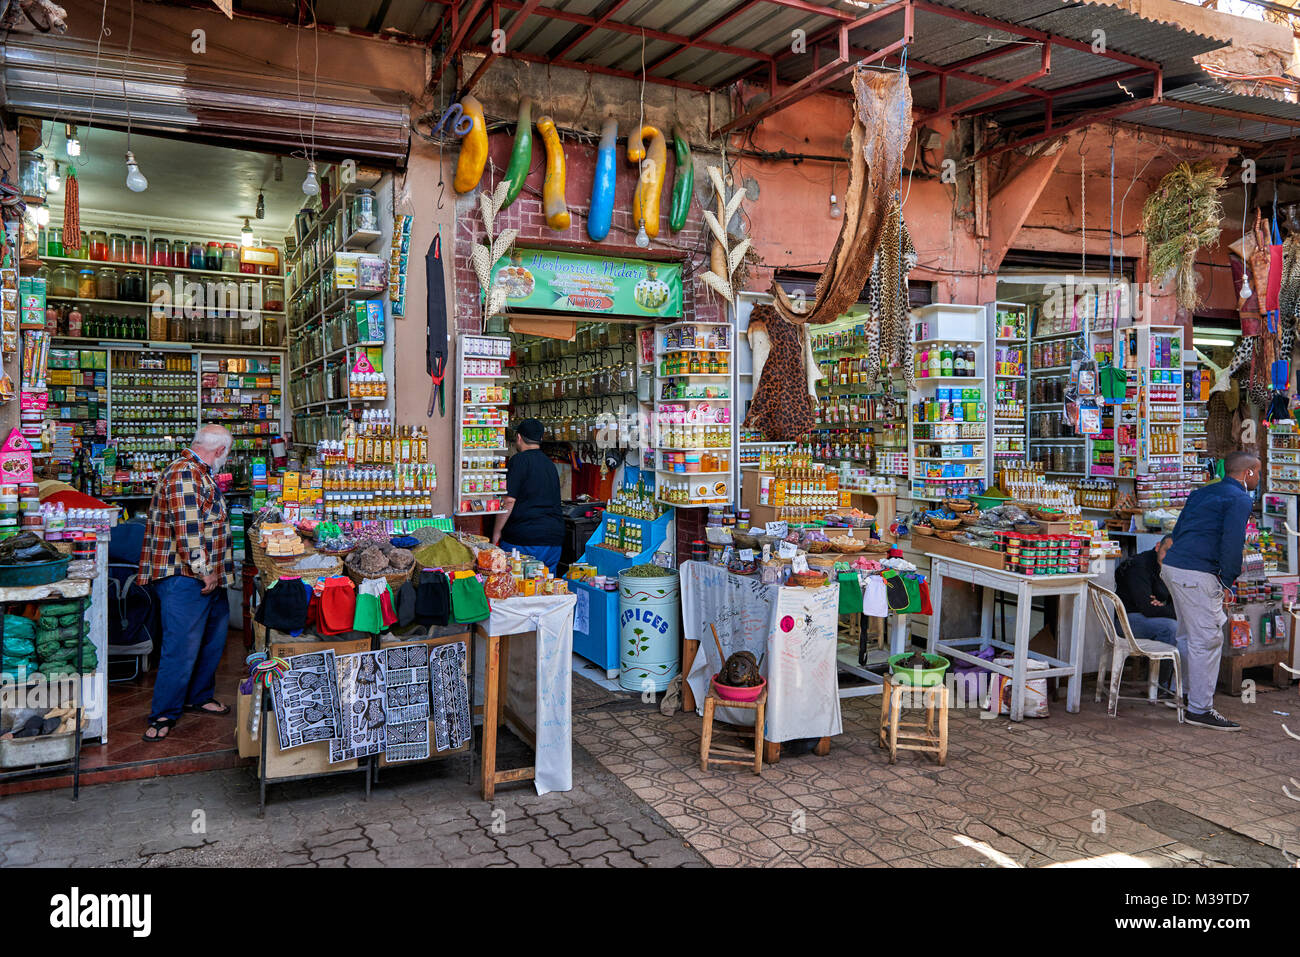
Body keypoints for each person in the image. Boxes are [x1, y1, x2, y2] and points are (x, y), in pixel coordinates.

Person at [137, 425, 236, 742]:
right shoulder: (184, 473)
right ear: (220, 451)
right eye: (227, 454)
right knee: (181, 648)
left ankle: (200, 695)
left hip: (210, 576)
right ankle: (163, 713)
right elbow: (188, 529)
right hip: (186, 577)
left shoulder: (199, 471)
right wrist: (203, 569)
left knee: (211, 640)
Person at [1160, 451, 1259, 731]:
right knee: (1207, 640)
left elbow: (1177, 532)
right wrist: (1227, 581)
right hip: (1198, 573)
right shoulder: (1240, 498)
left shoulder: (1203, 493)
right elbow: (1232, 542)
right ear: (1248, 472)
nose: (1258, 478)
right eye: (1258, 473)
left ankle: (1181, 694)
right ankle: (1200, 709)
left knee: (1188, 635)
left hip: (1175, 566)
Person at [1114, 535, 1187, 694]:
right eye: (1166, 551)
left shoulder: (1168, 568)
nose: (1169, 557)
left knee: (1185, 628)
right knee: (1171, 628)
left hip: (1144, 618)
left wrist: (1162, 605)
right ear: (1157, 546)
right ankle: (1158, 687)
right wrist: (1171, 611)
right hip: (1126, 621)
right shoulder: (1140, 566)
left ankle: (1171, 684)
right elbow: (1148, 608)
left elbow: (1169, 599)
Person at [490, 418, 564, 572]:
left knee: (518, 586)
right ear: (541, 439)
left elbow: (509, 500)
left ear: (518, 437)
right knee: (545, 588)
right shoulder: (550, 465)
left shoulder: (518, 461)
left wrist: (496, 532)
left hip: (524, 539)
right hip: (553, 540)